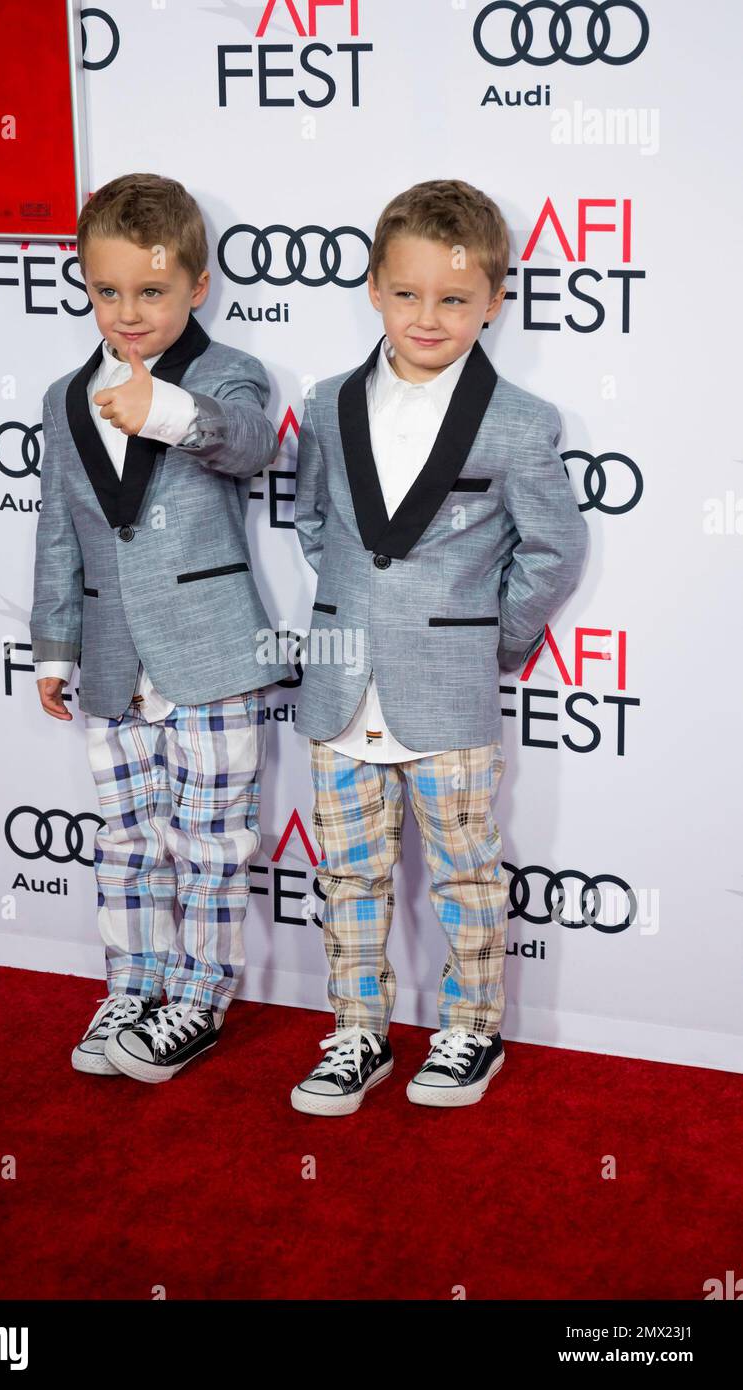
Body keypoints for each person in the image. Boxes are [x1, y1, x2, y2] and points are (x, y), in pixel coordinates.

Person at [290, 178, 589, 1116]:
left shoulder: (519, 421)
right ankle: (355, 1033)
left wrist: (485, 641)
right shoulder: (330, 402)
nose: (429, 315)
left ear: (493, 303)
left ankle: (472, 1029)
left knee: (465, 871)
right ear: (374, 286)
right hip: (340, 690)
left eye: (455, 298)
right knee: (348, 873)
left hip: (450, 692)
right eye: (409, 293)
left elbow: (553, 549)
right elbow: (314, 526)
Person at [30, 172, 288, 1084]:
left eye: (152, 291)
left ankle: (199, 998)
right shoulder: (65, 398)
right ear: (86, 284)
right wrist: (56, 644)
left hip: (212, 657)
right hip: (108, 661)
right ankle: (133, 981)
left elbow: (254, 442)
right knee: (128, 839)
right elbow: (59, 529)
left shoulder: (223, 374)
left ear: (197, 286)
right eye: (107, 292)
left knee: (214, 843)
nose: (127, 314)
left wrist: (168, 412)